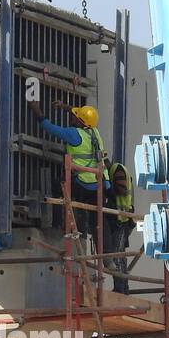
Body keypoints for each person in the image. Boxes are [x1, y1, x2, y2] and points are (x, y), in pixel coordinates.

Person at [28, 100, 108, 237]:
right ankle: (86, 234)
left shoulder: (74, 134)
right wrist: (65, 107)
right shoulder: (94, 131)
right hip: (101, 183)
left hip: (85, 183)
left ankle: (57, 225)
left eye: (74, 116)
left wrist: (36, 110)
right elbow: (81, 115)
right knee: (97, 218)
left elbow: (49, 127)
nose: (72, 117)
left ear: (80, 121)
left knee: (57, 186)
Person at [104, 162, 135, 294]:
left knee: (117, 255)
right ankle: (122, 288)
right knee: (118, 256)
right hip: (120, 219)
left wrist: (107, 190)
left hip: (121, 221)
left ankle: (121, 289)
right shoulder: (115, 170)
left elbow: (121, 190)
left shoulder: (118, 170)